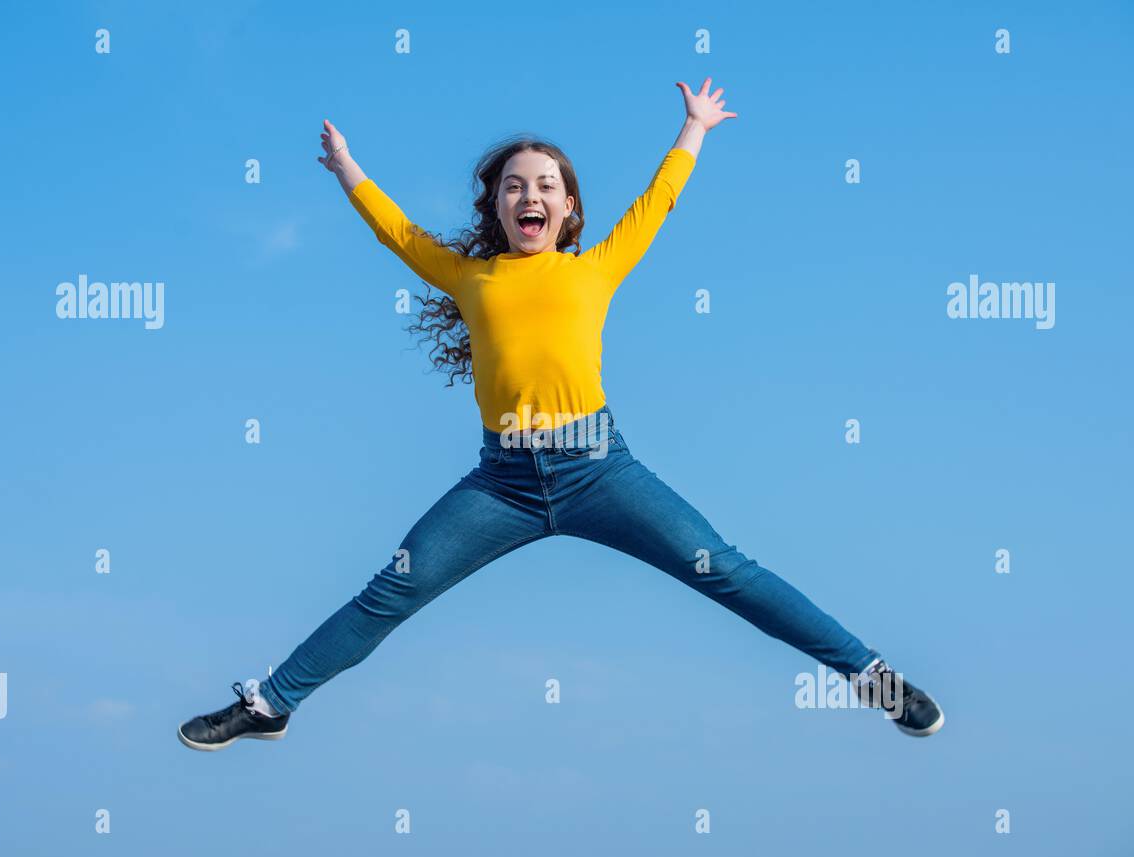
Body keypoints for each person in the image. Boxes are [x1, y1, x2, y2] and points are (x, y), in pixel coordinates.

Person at [179, 78, 944, 752]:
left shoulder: (596, 268)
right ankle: (271, 704)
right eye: (514, 186)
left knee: (726, 571)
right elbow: (400, 234)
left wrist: (693, 130)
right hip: (500, 484)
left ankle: (873, 678)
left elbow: (658, 203)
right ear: (498, 205)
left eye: (545, 185)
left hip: (599, 471)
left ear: (569, 207)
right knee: (393, 587)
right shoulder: (470, 276)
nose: (529, 196)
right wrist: (350, 172)